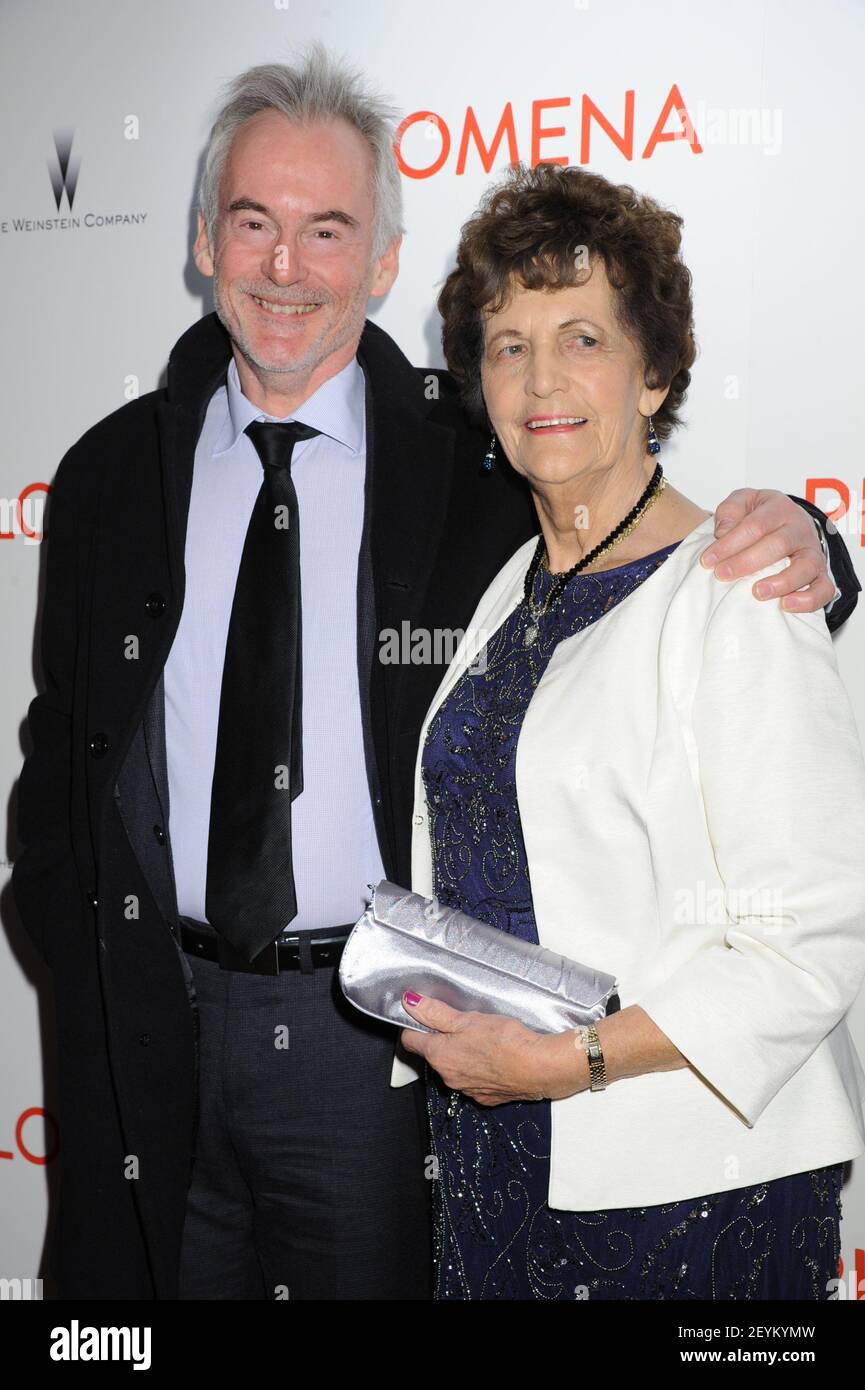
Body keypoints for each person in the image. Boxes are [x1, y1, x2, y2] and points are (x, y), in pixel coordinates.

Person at [11, 48, 858, 1301]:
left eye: (328, 229)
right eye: (254, 223)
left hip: (379, 1049)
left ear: (384, 265)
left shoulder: (473, 460)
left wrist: (814, 542)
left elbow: (640, 526)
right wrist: (67, 941)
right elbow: (62, 744)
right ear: (203, 238)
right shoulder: (106, 477)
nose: (286, 267)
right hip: (155, 1018)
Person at [395, 162, 865, 1301]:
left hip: (689, 1186)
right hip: (502, 1153)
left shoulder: (740, 585)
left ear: (654, 373)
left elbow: (811, 940)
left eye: (583, 338)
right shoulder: (516, 584)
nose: (542, 377)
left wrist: (568, 1061)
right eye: (508, 343)